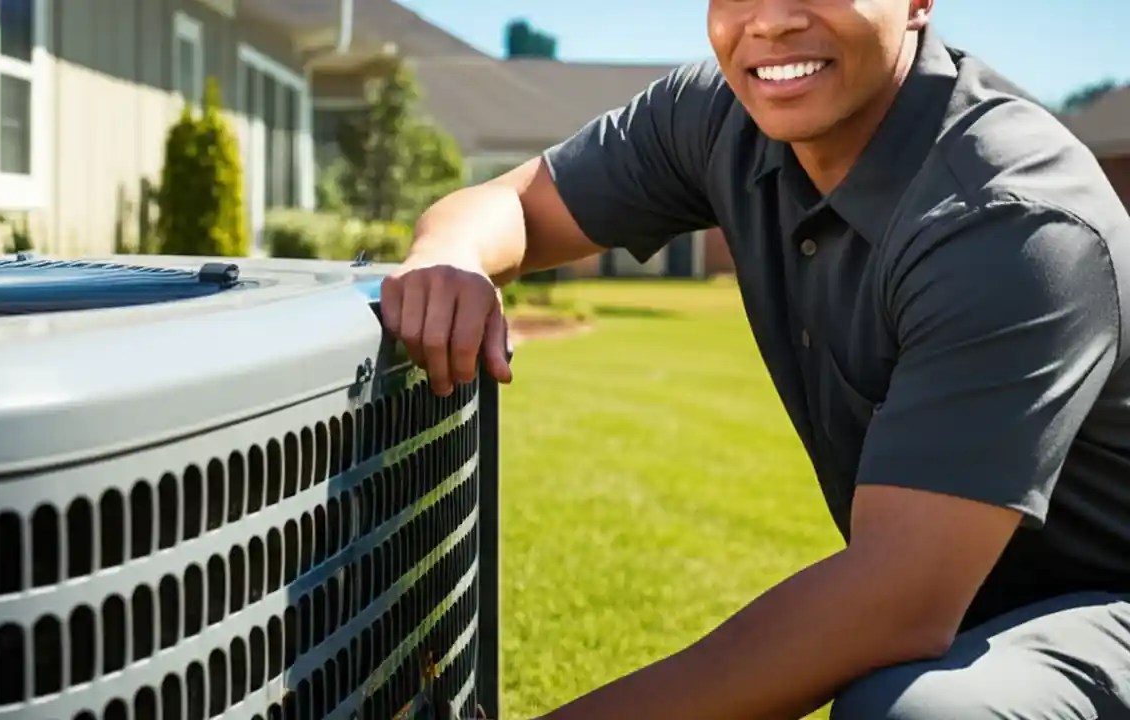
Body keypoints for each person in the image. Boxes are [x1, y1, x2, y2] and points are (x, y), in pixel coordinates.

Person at [380, 0, 1130, 717]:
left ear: (917, 0)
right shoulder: (721, 115)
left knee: (921, 711)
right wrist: (450, 257)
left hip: (1106, 603)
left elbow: (895, 601)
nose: (769, 20)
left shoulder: (1011, 223)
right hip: (981, 605)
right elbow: (516, 203)